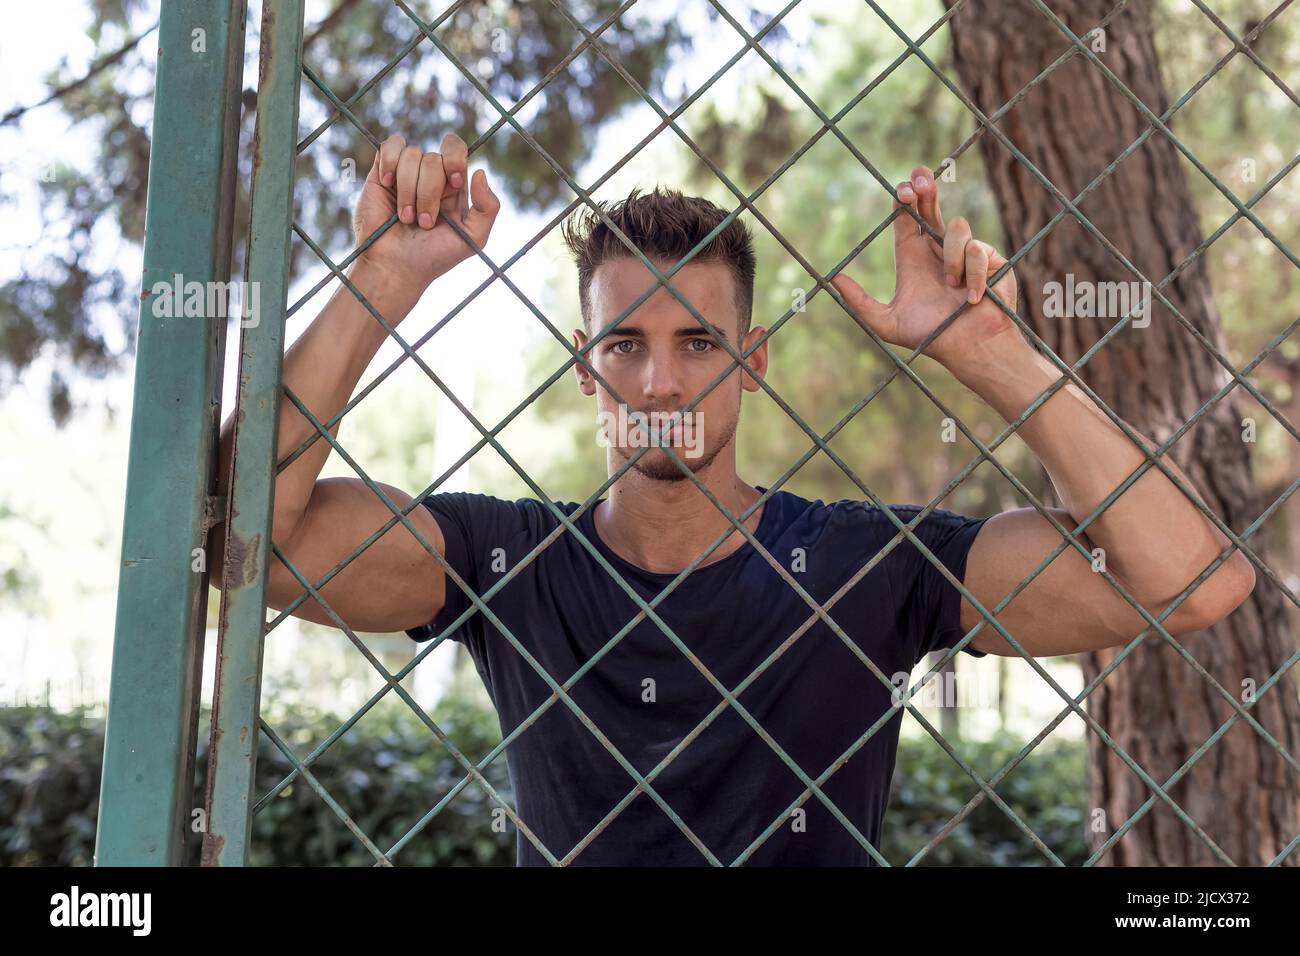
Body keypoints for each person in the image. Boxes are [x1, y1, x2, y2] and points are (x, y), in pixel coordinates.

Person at [208, 132, 1255, 866]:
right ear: (585, 364)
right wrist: (382, 279)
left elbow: (1195, 583)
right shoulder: (507, 560)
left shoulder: (861, 566)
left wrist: (994, 358)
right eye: (627, 345)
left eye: (697, 343)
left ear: (749, 361)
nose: (661, 384)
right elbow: (250, 543)